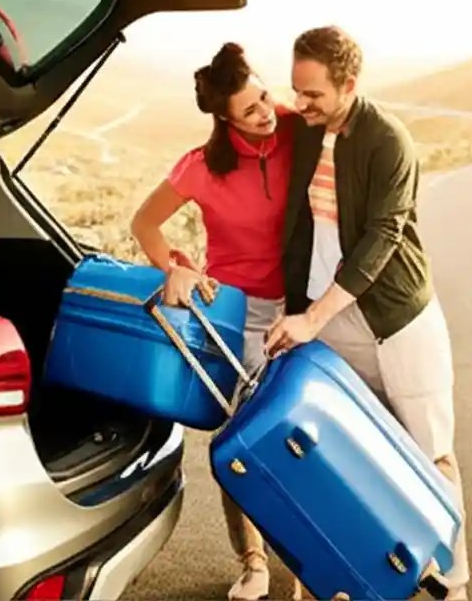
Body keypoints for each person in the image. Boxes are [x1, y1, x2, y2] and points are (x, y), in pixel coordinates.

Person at [265, 25, 471, 600]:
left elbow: (382, 238)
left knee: (432, 455)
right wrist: (299, 311)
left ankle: (451, 586)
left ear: (349, 84)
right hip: (330, 323)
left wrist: (312, 317)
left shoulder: (388, 141)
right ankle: (337, 583)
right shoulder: (305, 131)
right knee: (333, 455)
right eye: (296, 90)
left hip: (399, 322)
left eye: (313, 94)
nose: (299, 105)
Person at [130, 41, 304, 601]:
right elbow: (145, 224)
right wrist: (175, 268)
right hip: (238, 313)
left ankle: (307, 564)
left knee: (302, 440)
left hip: (301, 308)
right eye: (250, 110)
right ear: (224, 120)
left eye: (264, 96)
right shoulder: (202, 167)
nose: (266, 112)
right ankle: (252, 563)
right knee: (242, 442)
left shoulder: (296, 132)